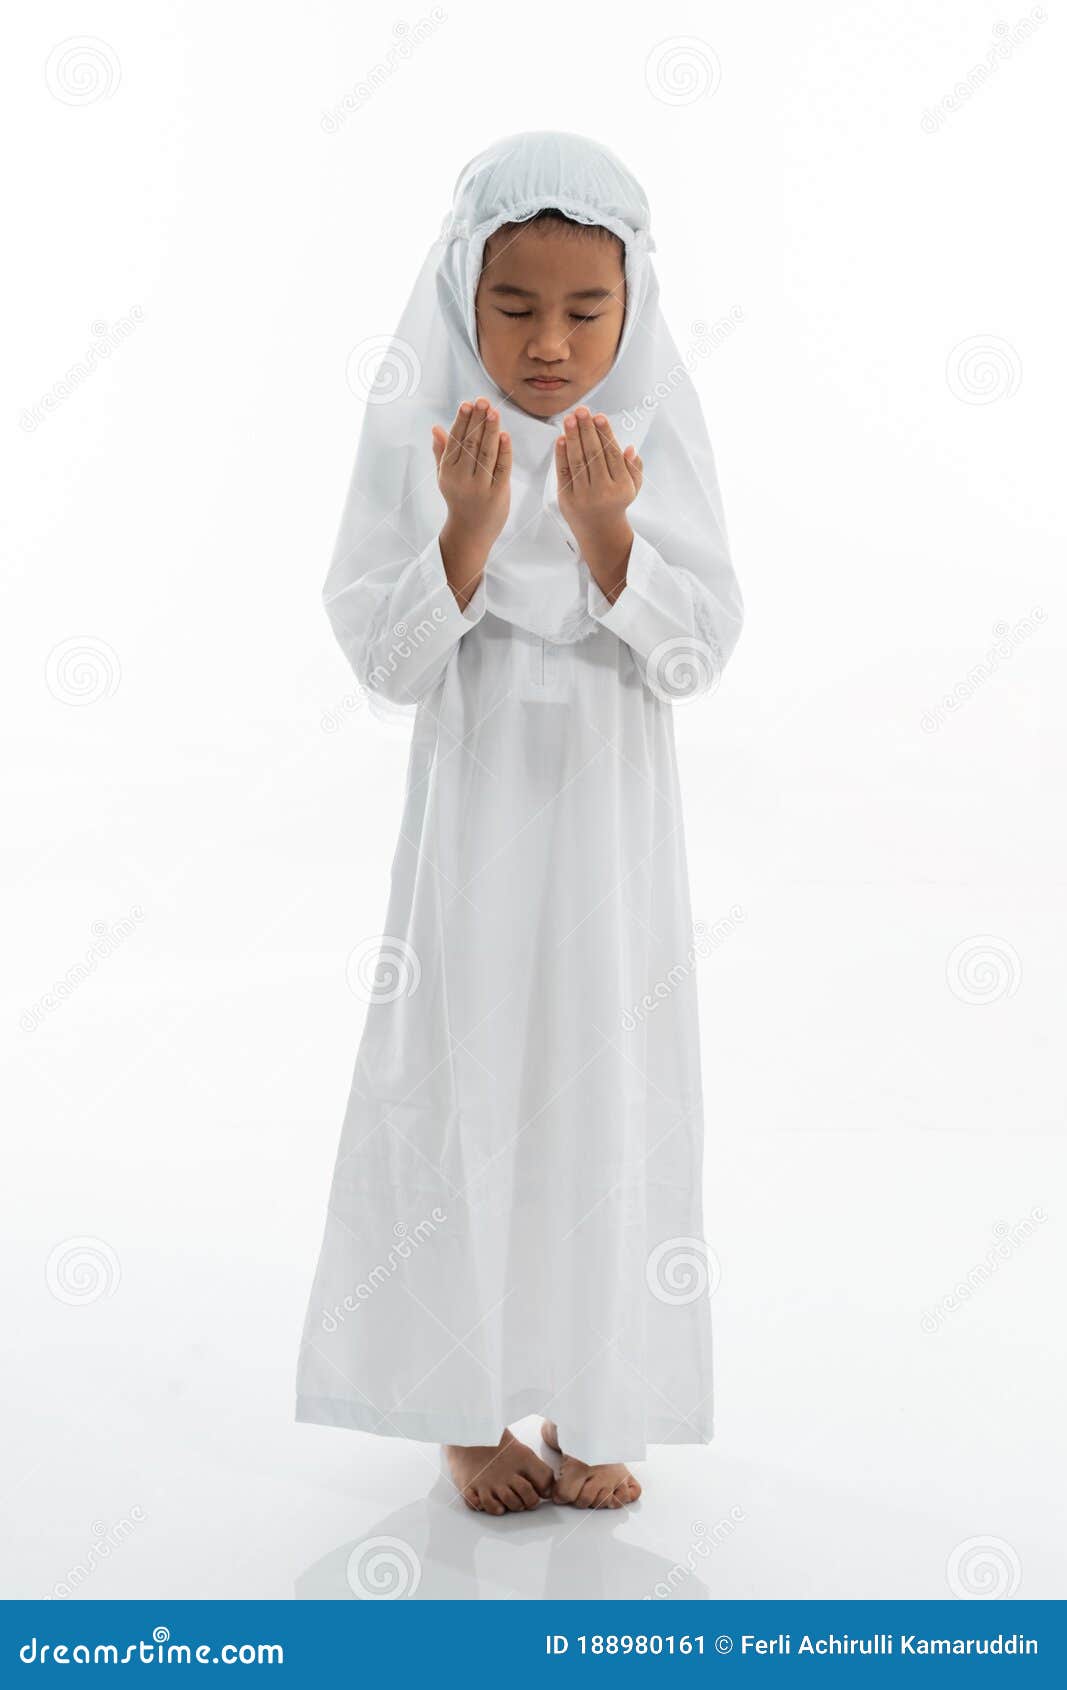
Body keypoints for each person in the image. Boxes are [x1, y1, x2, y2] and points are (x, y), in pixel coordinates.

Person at [296, 130, 744, 1515]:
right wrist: (469, 532)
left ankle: (598, 1388)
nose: (549, 345)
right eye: (514, 307)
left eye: (584, 310)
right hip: (478, 833)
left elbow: (700, 644)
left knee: (604, 1094)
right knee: (470, 1088)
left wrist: (614, 541)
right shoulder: (433, 444)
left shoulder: (652, 439)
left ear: (633, 307)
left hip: (610, 839)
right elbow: (384, 656)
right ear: (459, 301)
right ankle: (465, 1406)